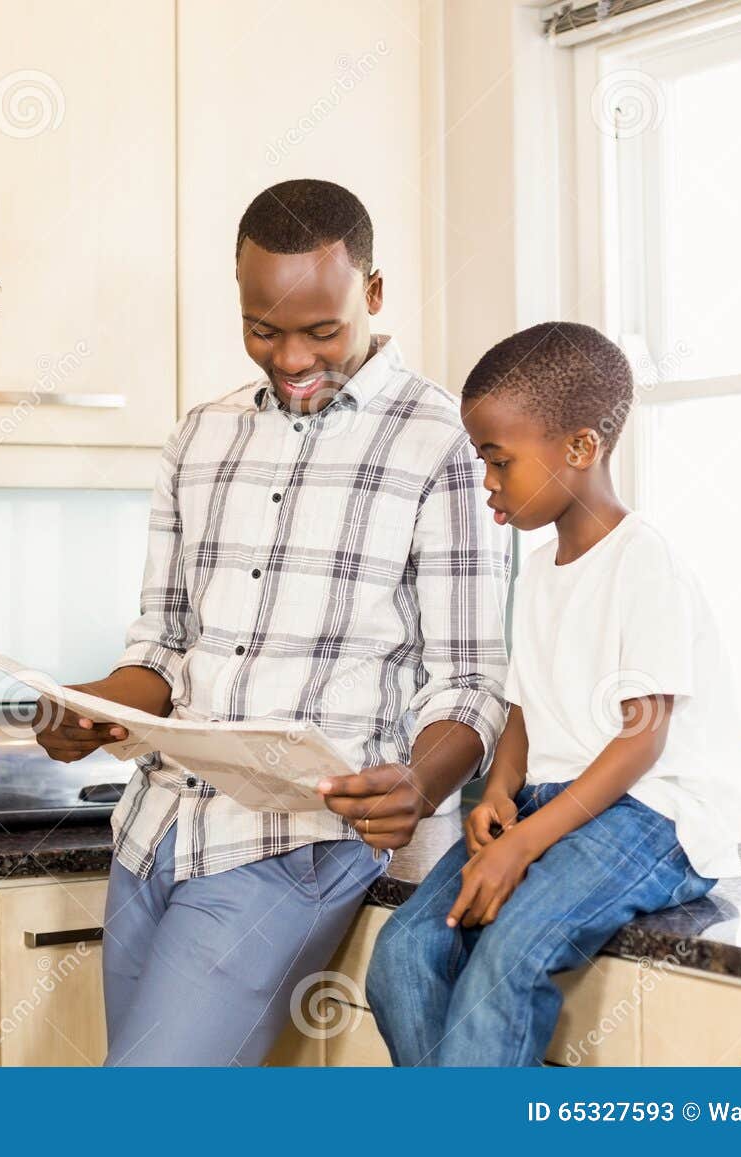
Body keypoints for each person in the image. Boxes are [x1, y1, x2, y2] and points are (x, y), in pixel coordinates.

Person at [33, 179, 509, 1066]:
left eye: (321, 331)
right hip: (152, 832)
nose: (292, 357)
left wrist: (422, 778)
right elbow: (164, 649)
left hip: (292, 844)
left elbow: (472, 679)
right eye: (264, 328)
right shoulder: (200, 437)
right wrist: (88, 706)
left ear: (372, 294)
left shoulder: (441, 441)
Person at [364, 321, 741, 1066]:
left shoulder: (646, 564)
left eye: (499, 460)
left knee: (506, 961)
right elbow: (524, 706)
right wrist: (498, 795)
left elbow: (643, 738)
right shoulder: (539, 569)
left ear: (581, 447)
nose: (488, 483)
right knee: (404, 953)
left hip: (659, 816)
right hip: (557, 804)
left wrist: (521, 846)